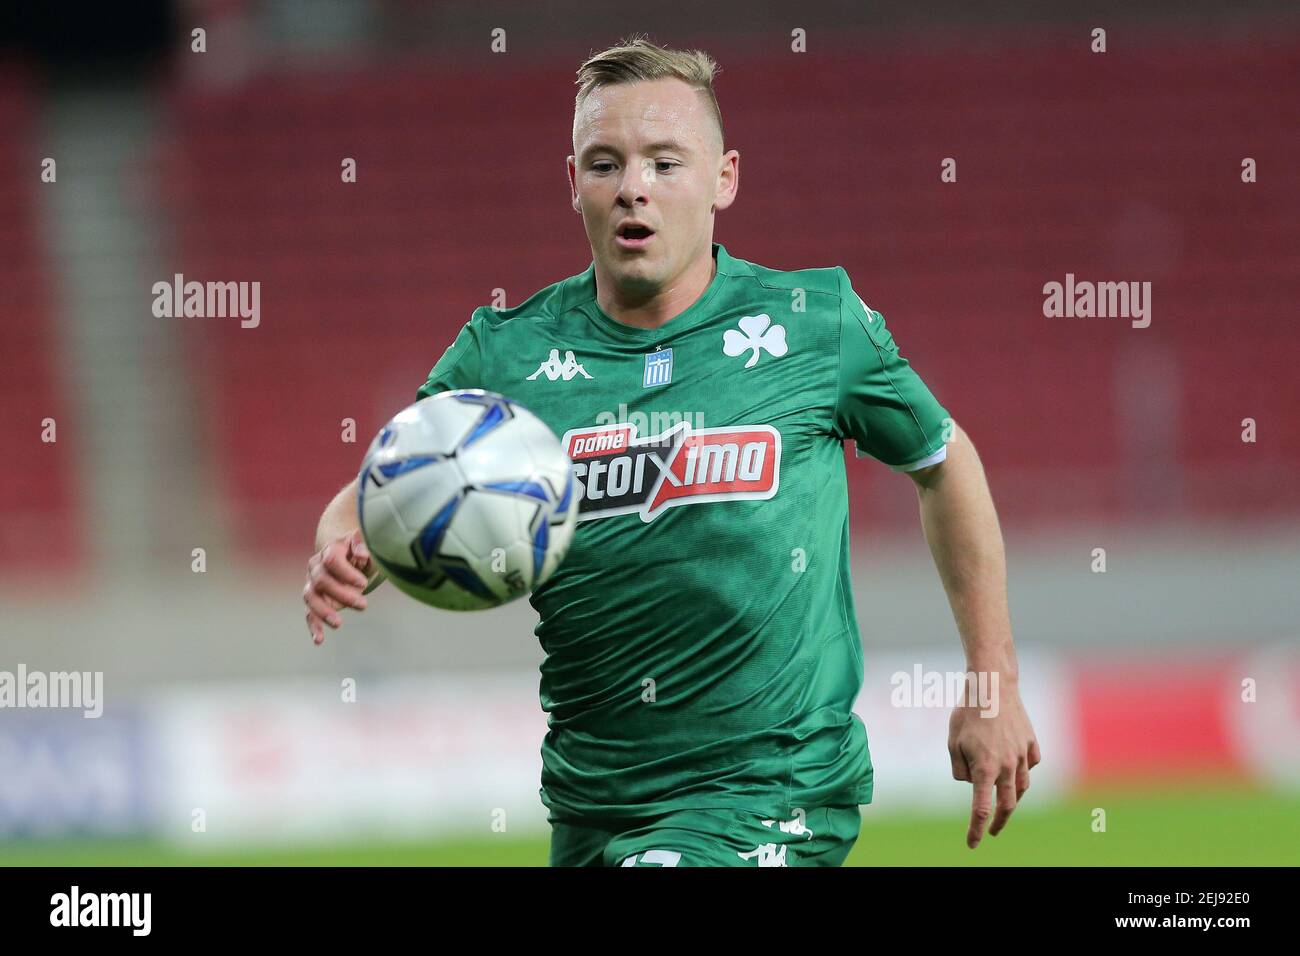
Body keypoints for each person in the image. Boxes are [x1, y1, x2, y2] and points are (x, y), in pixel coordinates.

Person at [304, 36, 1040, 867]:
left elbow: (942, 462)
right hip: (595, 805)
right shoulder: (506, 354)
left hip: (773, 790)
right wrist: (346, 538)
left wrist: (992, 682)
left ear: (725, 178)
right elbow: (377, 486)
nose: (632, 191)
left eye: (664, 163)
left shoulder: (815, 322)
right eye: (605, 164)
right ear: (571, 182)